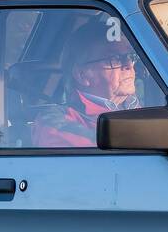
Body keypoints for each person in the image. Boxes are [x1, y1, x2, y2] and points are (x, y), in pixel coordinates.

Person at [31, 18, 143, 148]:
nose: (129, 65)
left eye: (130, 56)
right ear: (82, 75)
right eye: (114, 59)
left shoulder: (138, 106)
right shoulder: (54, 121)